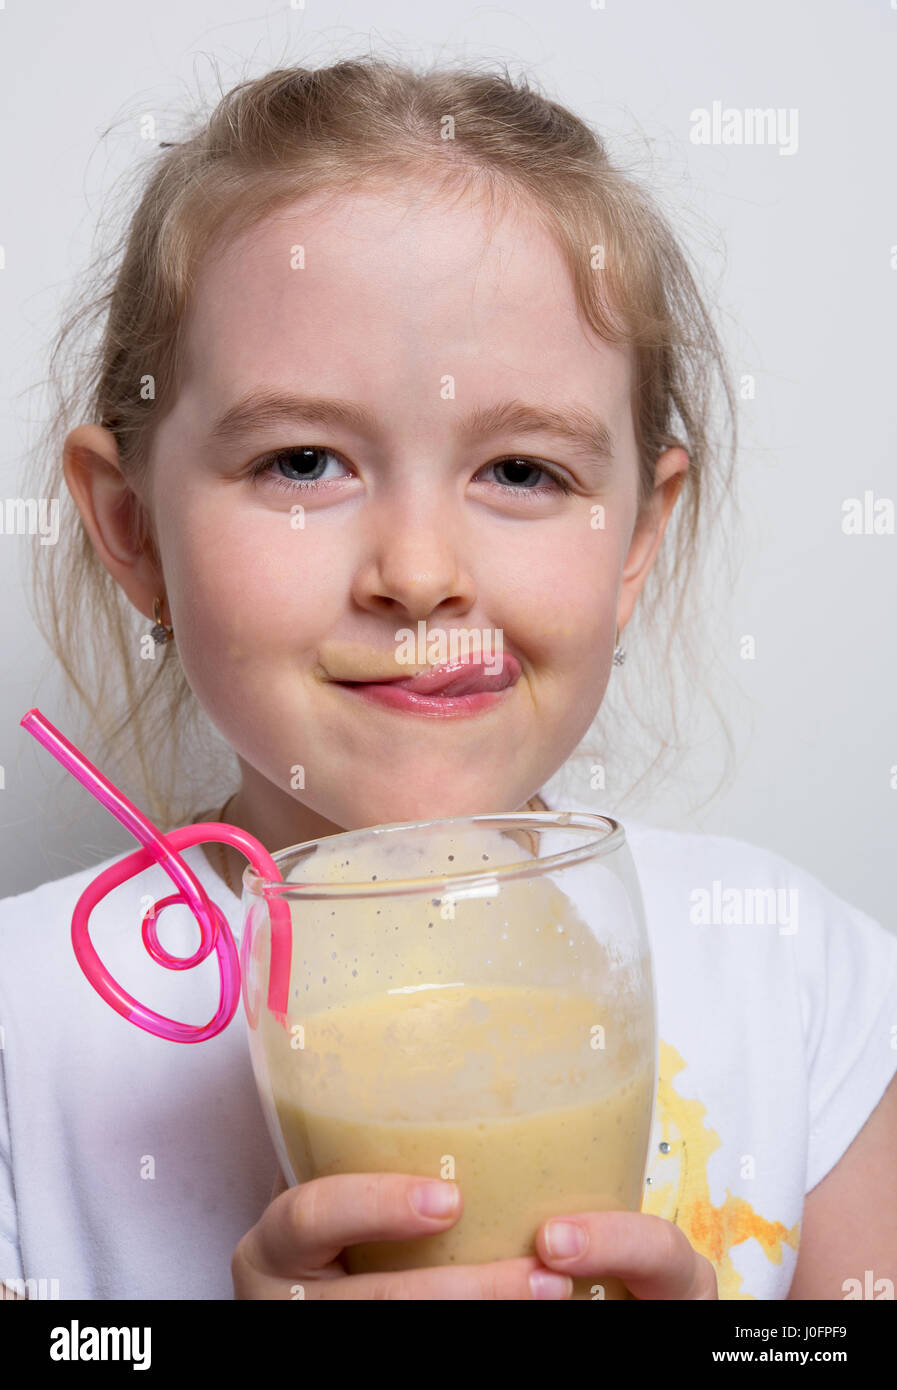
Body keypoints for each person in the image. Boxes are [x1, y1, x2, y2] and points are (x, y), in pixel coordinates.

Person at [2, 57, 895, 1302]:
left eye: (523, 472)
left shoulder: (794, 979)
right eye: (303, 461)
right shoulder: (25, 1036)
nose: (418, 574)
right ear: (133, 528)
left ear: (638, 537)